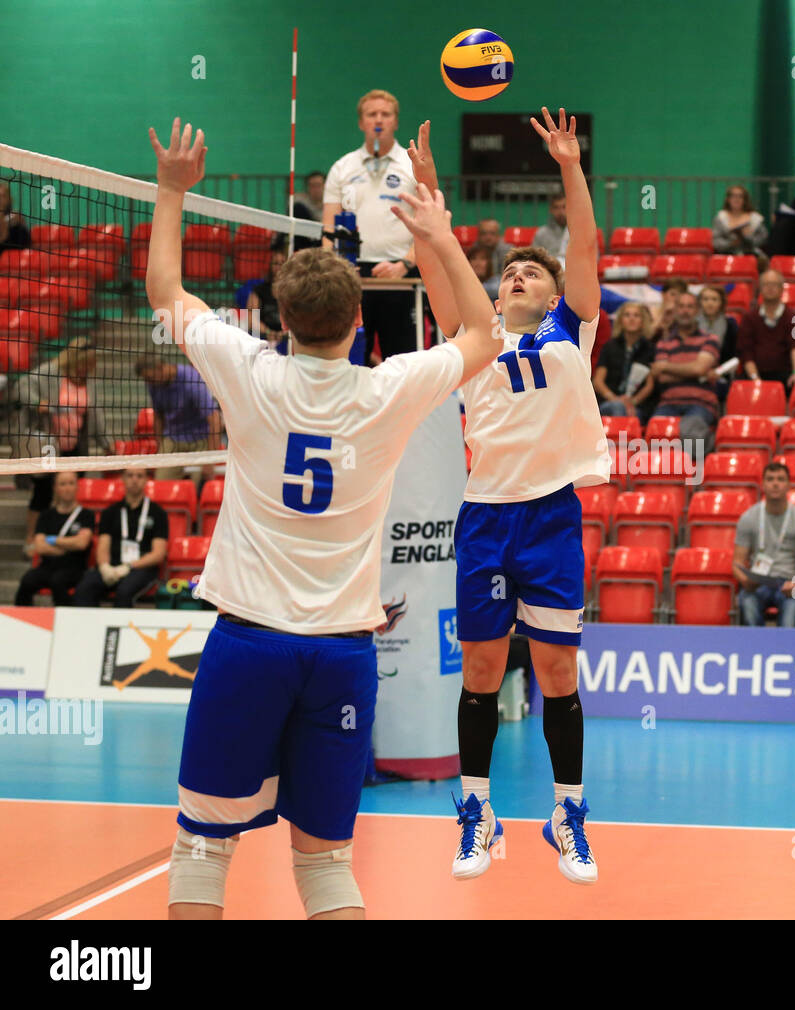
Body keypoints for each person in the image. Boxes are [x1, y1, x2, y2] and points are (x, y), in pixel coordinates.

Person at [145, 117, 500, 920]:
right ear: (357, 322)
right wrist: (437, 232)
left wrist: (172, 190)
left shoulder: (250, 372)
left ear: (281, 317)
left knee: (202, 855)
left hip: (248, 642)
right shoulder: (386, 392)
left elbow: (166, 292)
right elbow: (482, 332)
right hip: (341, 656)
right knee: (330, 867)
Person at [409, 110, 608, 885]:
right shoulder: (475, 336)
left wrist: (570, 166)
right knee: (483, 670)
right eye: (509, 272)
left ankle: (568, 813)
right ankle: (476, 810)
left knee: (559, 674)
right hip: (487, 515)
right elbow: (436, 263)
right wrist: (428, 199)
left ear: (555, 289)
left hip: (551, 516)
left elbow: (584, 246)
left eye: (532, 270)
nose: (517, 275)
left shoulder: (572, 328)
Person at [321, 89, 420, 361]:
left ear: (396, 121)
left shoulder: (413, 167)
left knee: (402, 363)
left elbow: (428, 226)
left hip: (401, 276)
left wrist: (405, 265)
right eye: (372, 114)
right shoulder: (342, 168)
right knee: (350, 361)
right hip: (352, 276)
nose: (379, 120)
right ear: (361, 122)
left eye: (385, 114)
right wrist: (338, 271)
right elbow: (328, 230)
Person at [13, 341, 101, 554]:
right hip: (48, 445)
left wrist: (104, 442)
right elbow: (21, 387)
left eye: (89, 364)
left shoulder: (89, 381)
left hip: (74, 446)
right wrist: (38, 403)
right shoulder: (50, 372)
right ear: (73, 359)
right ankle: (31, 539)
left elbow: (96, 414)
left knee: (70, 492)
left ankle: (64, 539)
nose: (86, 368)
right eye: (83, 363)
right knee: (43, 492)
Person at [732, 462, 795, 627]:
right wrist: (744, 580)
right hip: (758, 581)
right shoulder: (748, 518)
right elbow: (737, 562)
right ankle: (757, 650)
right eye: (770, 479)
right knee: (748, 609)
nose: (775, 483)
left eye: (780, 479)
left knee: (789, 623)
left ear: (788, 485)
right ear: (763, 485)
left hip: (791, 581)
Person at [73, 465, 169, 607]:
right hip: (113, 566)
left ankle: (121, 628)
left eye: (139, 476)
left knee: (124, 590)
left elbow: (158, 554)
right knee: (85, 587)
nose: (134, 480)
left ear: (146, 480)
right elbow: (103, 547)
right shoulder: (110, 512)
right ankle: (89, 627)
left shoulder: (158, 513)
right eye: (130, 475)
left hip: (141, 568)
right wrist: (105, 567)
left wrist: (129, 567)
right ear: (123, 479)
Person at [650, 289, 722, 451]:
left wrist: (667, 367)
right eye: (681, 306)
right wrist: (696, 372)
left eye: (690, 307)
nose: (685, 311)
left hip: (700, 404)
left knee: (692, 435)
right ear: (675, 311)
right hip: (668, 403)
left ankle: (695, 474)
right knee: (655, 433)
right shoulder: (663, 343)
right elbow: (661, 378)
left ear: (697, 311)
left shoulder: (710, 339)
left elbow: (698, 368)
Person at [135, 354, 223, 481]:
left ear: (160, 368)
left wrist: (210, 459)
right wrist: (161, 446)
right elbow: (158, 416)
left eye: (150, 378)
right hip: (173, 439)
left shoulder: (191, 379)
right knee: (161, 483)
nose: (148, 382)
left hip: (200, 439)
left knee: (199, 482)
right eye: (146, 380)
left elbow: (214, 418)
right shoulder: (154, 385)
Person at [15, 471, 94, 606]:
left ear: (77, 487)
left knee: (58, 581)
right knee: (27, 580)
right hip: (47, 566)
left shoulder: (86, 515)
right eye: (63, 484)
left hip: (74, 567)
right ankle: (22, 620)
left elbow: (81, 543)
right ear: (55, 488)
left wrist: (53, 540)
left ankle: (66, 619)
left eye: (71, 483)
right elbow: (39, 546)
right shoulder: (46, 515)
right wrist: (68, 546)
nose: (67, 488)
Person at [736, 270, 795, 386]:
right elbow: (746, 352)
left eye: (774, 284)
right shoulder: (748, 318)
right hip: (755, 375)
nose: (770, 288)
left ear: (782, 289)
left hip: (786, 376)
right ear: (760, 289)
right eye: (766, 284)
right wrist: (755, 380)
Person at [593, 301, 656, 422]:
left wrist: (632, 402)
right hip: (609, 402)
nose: (631, 319)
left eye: (636, 315)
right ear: (621, 320)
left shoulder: (649, 349)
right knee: (617, 408)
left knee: (629, 412)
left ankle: (620, 440)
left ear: (643, 321)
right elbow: (598, 381)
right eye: (627, 315)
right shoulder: (609, 347)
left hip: (637, 405)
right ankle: (621, 440)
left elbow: (649, 385)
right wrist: (615, 399)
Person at [246, 242, 289, 350]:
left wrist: (284, 333)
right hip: (263, 337)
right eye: (275, 263)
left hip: (287, 339)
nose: (279, 267)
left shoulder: (294, 292)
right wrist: (268, 332)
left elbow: (299, 320)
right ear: (270, 266)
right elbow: (250, 318)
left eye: (282, 263)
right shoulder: (259, 290)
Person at [712, 184, 768, 259]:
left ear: (745, 200)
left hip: (751, 255)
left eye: (740, 196)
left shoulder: (755, 218)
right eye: (733, 196)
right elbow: (716, 242)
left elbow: (763, 239)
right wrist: (731, 243)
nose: (736, 199)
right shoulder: (721, 218)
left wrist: (748, 237)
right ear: (728, 199)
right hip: (726, 255)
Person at [697, 284, 738, 363]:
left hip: (722, 369)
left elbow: (734, 353)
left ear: (721, 302)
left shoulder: (730, 323)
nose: (710, 303)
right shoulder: (693, 323)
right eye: (705, 299)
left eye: (714, 299)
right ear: (700, 302)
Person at [532, 193, 568, 262]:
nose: (561, 212)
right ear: (551, 210)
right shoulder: (541, 234)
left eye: (564, 207)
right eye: (556, 207)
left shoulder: (579, 233)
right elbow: (534, 259)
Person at [0, 181, 32, 251]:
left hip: (14, 250)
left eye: (3, 196)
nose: (0, 200)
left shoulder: (16, 219)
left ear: (9, 199)